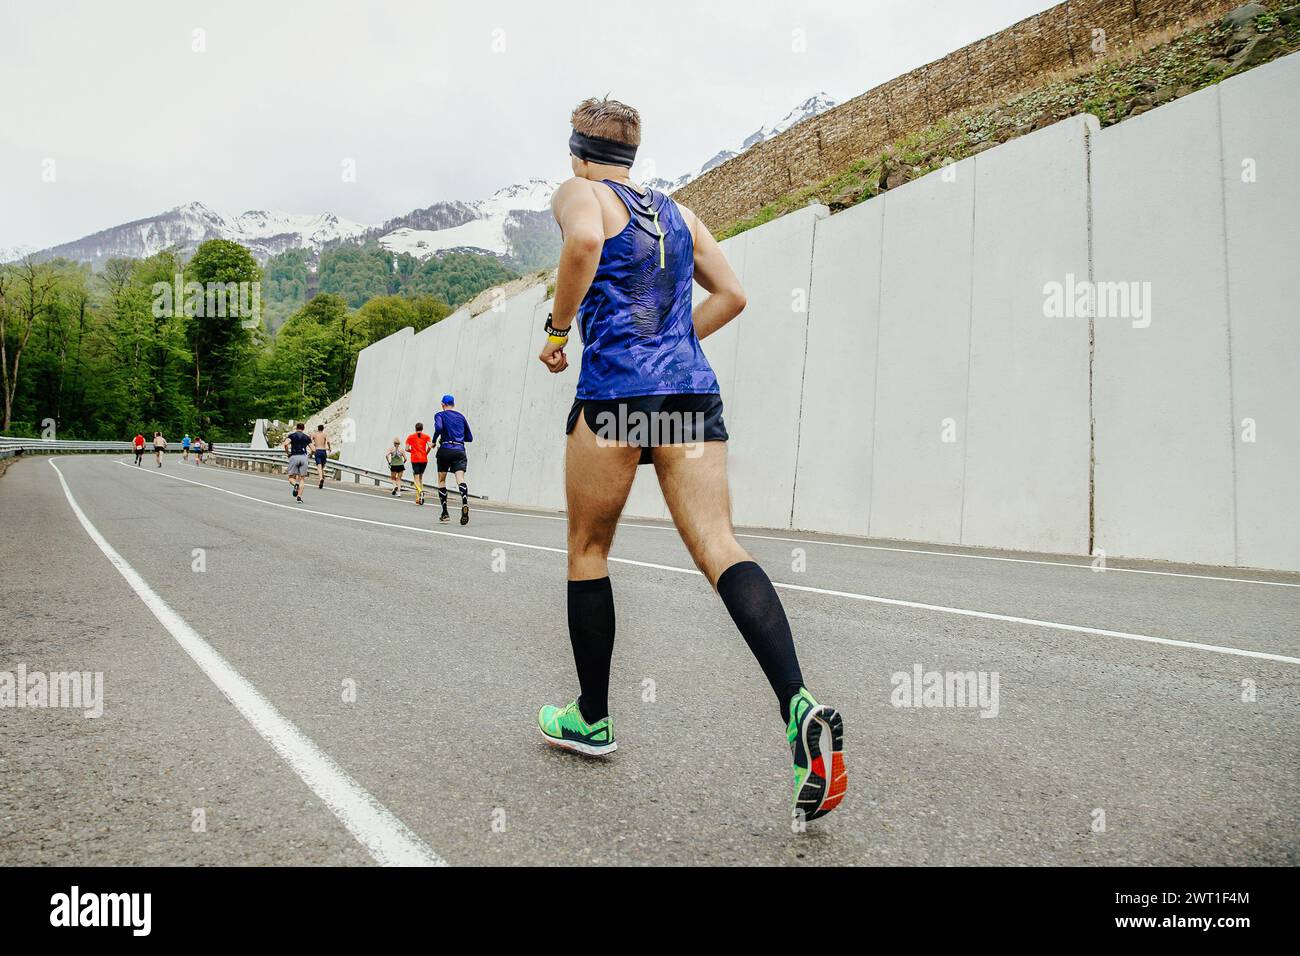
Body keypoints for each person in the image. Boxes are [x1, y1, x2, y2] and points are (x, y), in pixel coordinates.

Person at [534, 97, 846, 823]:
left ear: (578, 150)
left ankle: (593, 719)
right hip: (688, 398)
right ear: (632, 155)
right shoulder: (679, 211)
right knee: (719, 544)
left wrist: (556, 334)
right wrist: (677, 350)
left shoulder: (579, 191)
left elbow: (582, 244)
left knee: (588, 547)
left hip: (615, 397)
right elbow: (732, 295)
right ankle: (797, 702)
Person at [432, 395, 473, 525]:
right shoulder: (461, 417)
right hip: (460, 450)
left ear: (442, 404)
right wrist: (458, 437)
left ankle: (445, 513)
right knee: (460, 478)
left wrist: (433, 441)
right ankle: (464, 502)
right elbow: (470, 437)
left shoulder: (440, 415)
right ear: (453, 404)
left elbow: (438, 428)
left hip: (445, 449)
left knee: (442, 480)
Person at [404, 423, 434, 506]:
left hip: (415, 459)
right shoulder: (426, 437)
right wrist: (426, 453)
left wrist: (412, 451)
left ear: (415, 428)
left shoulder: (410, 437)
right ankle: (418, 499)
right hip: (424, 459)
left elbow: (406, 449)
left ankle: (420, 492)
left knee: (416, 478)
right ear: (422, 428)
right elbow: (430, 446)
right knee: (420, 478)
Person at [282, 422, 312, 502]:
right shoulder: (307, 437)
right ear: (303, 428)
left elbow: (285, 444)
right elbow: (314, 449)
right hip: (304, 457)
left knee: (291, 477)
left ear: (296, 428)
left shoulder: (292, 436)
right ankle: (299, 497)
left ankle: (295, 484)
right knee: (302, 478)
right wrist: (310, 455)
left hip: (294, 456)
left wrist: (287, 453)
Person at [311, 424, 331, 490]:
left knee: (319, 466)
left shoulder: (314, 434)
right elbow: (328, 442)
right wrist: (329, 448)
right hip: (323, 451)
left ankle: (320, 478)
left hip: (317, 450)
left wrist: (312, 449)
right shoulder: (325, 434)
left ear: (318, 428)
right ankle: (322, 478)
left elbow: (310, 441)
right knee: (322, 466)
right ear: (323, 429)